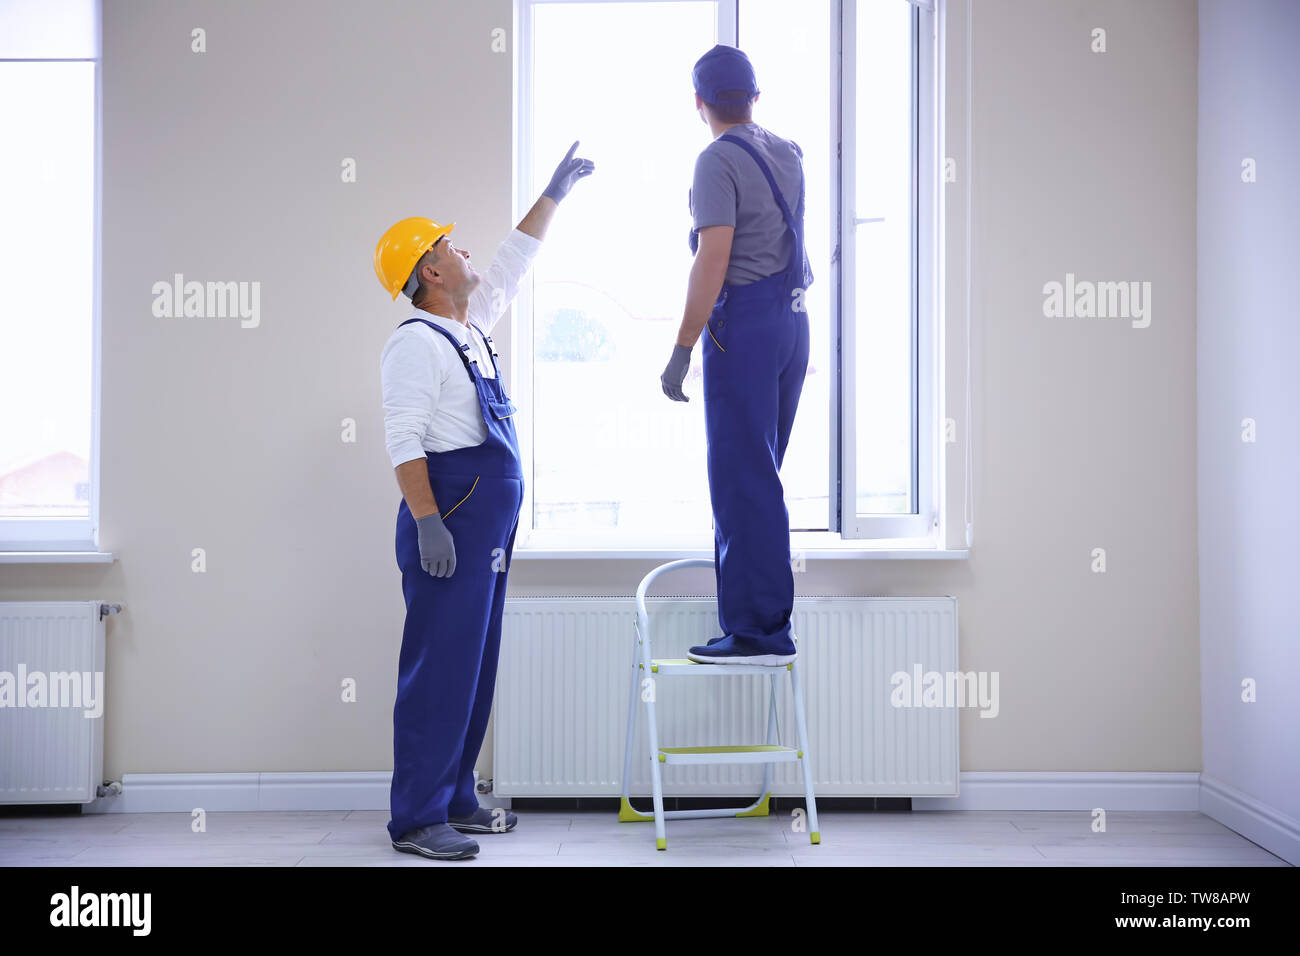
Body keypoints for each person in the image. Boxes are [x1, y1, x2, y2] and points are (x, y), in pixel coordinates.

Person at [374, 142, 594, 860]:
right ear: (430, 271)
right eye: (449, 243)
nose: (465, 247)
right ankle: (416, 819)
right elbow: (403, 441)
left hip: (484, 532)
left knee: (472, 664)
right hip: (449, 530)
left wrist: (554, 194)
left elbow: (510, 263)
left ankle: (456, 798)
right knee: (438, 668)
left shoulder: (466, 330)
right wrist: (428, 523)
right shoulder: (416, 343)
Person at [660, 45, 812, 666]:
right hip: (792, 325)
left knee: (740, 477)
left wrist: (681, 348)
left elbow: (713, 260)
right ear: (755, 96)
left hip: (743, 328)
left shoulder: (715, 160)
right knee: (761, 472)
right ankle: (763, 622)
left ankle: (757, 632)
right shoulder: (788, 151)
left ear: (699, 103)